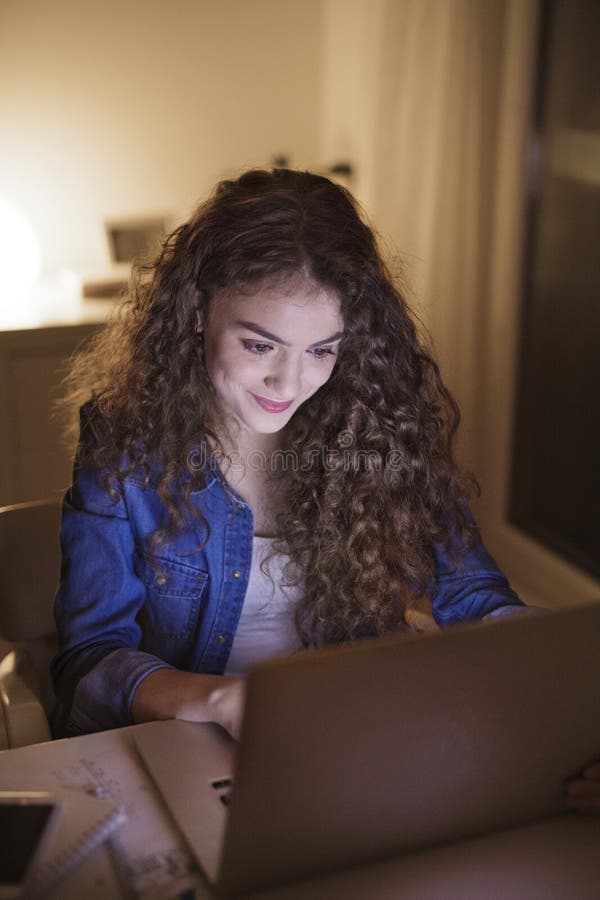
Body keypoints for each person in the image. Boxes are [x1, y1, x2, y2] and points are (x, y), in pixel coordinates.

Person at [51, 168, 599, 812]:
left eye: (322, 351)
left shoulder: (374, 428)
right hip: (186, 752)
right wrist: (219, 698)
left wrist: (558, 678)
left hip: (355, 742)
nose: (288, 382)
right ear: (198, 312)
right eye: (260, 345)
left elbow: (473, 595)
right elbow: (88, 662)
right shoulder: (126, 445)